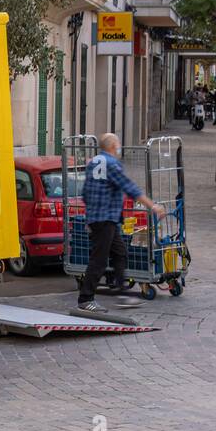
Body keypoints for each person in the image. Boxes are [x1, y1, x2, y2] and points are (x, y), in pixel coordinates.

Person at [79, 133, 167, 312]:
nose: (119, 146)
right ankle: (85, 299)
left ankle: (122, 294)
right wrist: (153, 206)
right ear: (112, 146)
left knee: (120, 252)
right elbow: (130, 188)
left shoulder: (93, 163)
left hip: (100, 218)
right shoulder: (112, 164)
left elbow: (85, 193)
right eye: (118, 143)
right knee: (99, 260)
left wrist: (90, 217)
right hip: (105, 218)